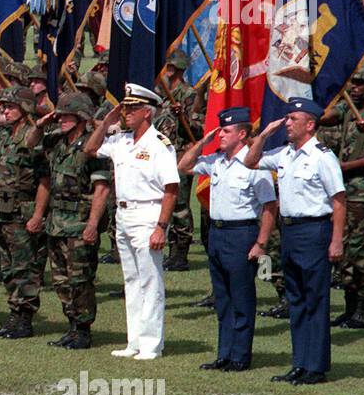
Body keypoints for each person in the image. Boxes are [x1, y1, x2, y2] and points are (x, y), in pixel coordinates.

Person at [245, 98, 346, 385]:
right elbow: (250, 161)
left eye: (292, 119)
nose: (287, 123)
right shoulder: (285, 154)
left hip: (314, 231)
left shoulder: (322, 157)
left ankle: (316, 366)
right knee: (297, 300)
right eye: (287, 119)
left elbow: (339, 201)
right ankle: (299, 362)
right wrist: (264, 134)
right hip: (290, 231)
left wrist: (336, 240)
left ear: (310, 124)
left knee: (315, 299)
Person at [84, 83, 179, 360]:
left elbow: (171, 189)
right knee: (131, 280)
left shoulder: (160, 144)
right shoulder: (121, 140)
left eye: (132, 109)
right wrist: (106, 123)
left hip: (148, 213)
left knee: (150, 280)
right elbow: (90, 149)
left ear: (146, 112)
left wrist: (161, 227)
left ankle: (151, 344)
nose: (126, 113)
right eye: (125, 108)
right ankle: (134, 341)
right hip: (123, 214)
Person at [178, 107, 278, 371]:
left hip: (242, 233)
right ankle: (224, 353)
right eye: (220, 129)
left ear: (242, 134)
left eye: (226, 130)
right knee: (222, 298)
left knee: (241, 297)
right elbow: (184, 165)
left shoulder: (255, 164)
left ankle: (240, 356)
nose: (220, 134)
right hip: (217, 233)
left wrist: (260, 244)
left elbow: (269, 206)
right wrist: (203, 142)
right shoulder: (216, 161)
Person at [30, 92, 110, 350]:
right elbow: (30, 144)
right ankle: (72, 325)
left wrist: (92, 225)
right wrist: (41, 124)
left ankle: (84, 329)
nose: (62, 120)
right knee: (61, 280)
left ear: (82, 118)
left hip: (79, 222)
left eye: (68, 116)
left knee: (80, 279)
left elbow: (101, 190)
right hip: (57, 222)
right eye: (61, 115)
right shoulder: (55, 142)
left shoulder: (94, 147)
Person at [0, 86, 49, 339]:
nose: (5, 111)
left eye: (11, 107)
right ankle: (13, 314)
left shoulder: (32, 138)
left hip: (23, 211)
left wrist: (37, 215)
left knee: (25, 267)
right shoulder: (5, 136)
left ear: (25, 110)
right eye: (4, 107)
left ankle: (24, 318)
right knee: (8, 267)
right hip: (3, 210)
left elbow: (45, 181)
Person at [325, 64, 364, 330]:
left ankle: (362, 309)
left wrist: (346, 167)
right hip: (342, 191)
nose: (353, 88)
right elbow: (327, 117)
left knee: (359, 252)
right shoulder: (349, 107)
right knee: (343, 251)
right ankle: (349, 308)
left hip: (363, 191)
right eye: (353, 83)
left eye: (359, 84)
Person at [154, 50, 202, 272]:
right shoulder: (159, 91)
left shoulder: (189, 94)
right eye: (168, 66)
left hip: (180, 155)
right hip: (159, 153)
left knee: (180, 205)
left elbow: (198, 129)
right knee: (164, 202)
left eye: (173, 67)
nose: (169, 70)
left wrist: (183, 115)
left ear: (181, 69)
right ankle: (170, 249)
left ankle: (180, 253)